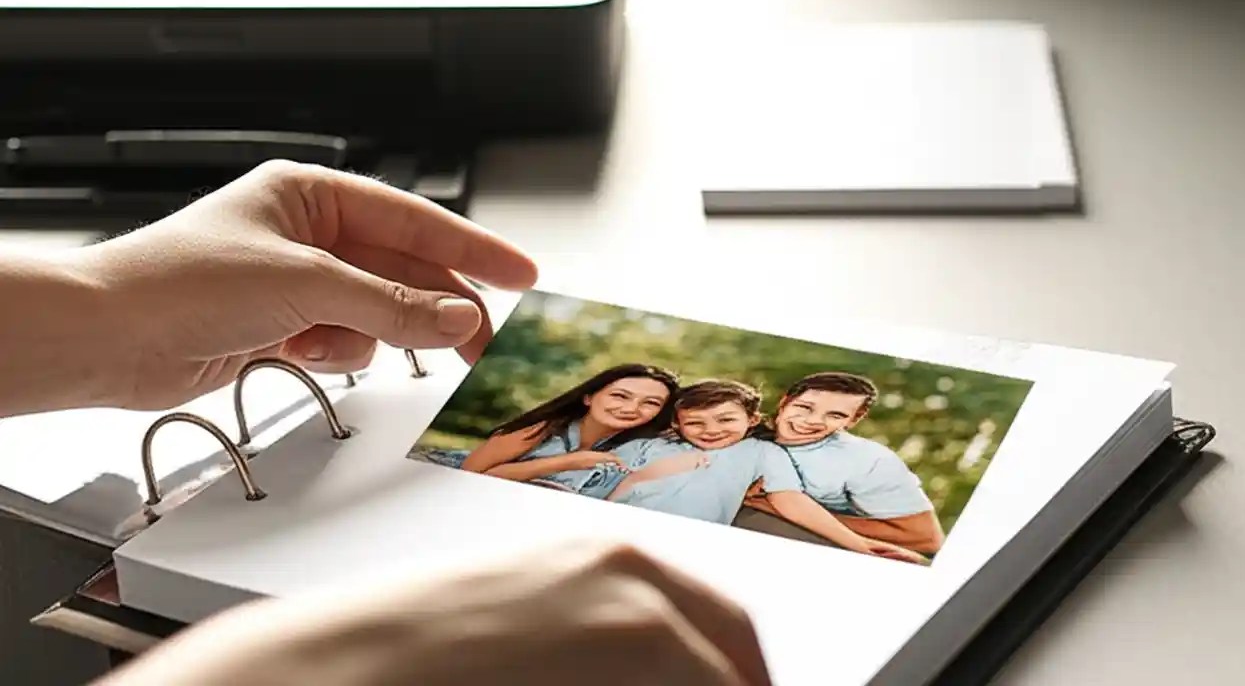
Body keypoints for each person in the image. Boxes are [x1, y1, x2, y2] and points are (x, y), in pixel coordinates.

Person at [0, 160, 772, 686]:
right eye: (624, 395)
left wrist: (109, 308)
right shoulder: (546, 434)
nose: (636, 410)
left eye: (651, 405)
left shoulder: (669, 449)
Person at [602, 380, 926, 563]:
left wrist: (858, 544)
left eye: (726, 420)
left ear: (752, 420)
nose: (711, 430)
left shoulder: (762, 452)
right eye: (696, 423)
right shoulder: (650, 446)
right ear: (677, 423)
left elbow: (791, 500)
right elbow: (593, 481)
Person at [740, 372, 946, 556]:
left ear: (853, 420)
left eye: (835, 415)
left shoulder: (869, 460)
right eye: (804, 407)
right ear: (785, 401)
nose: (812, 421)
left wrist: (773, 507)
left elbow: (926, 539)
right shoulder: (741, 430)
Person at [458, 363, 680, 497]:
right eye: (620, 396)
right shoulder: (541, 428)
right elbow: (467, 475)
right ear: (588, 397)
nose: (631, 409)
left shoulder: (644, 447)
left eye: (651, 403)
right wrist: (568, 462)